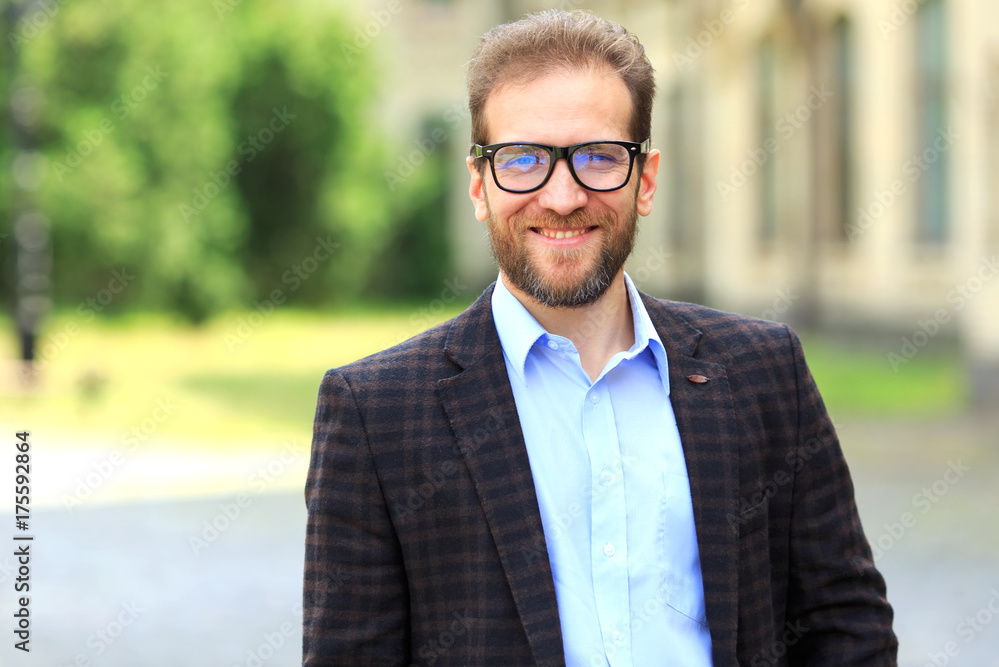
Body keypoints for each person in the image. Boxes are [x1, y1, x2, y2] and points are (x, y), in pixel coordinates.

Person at [303, 9, 897, 666]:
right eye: (523, 159)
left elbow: (846, 627)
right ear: (478, 184)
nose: (562, 196)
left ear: (645, 179)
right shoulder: (377, 415)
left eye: (598, 156)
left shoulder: (764, 374)